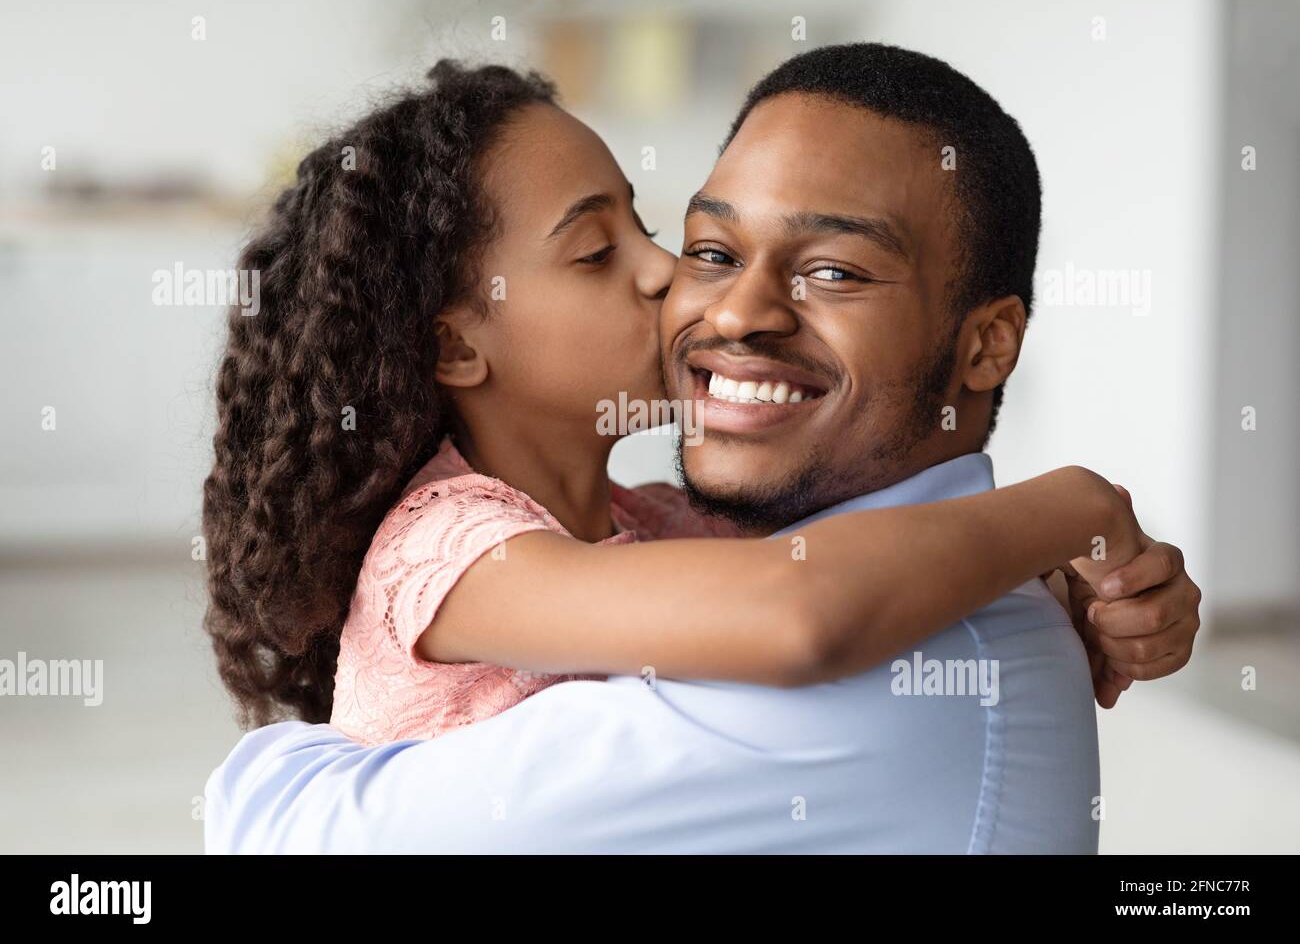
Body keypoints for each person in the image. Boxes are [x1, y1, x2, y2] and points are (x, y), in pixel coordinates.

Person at [203, 44, 1201, 853]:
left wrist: (1068, 586)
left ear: (987, 340)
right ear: (455, 344)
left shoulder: (666, 531)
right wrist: (1068, 507)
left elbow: (823, 590)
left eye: (648, 228)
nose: (682, 284)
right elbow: (797, 604)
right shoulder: (450, 547)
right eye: (603, 252)